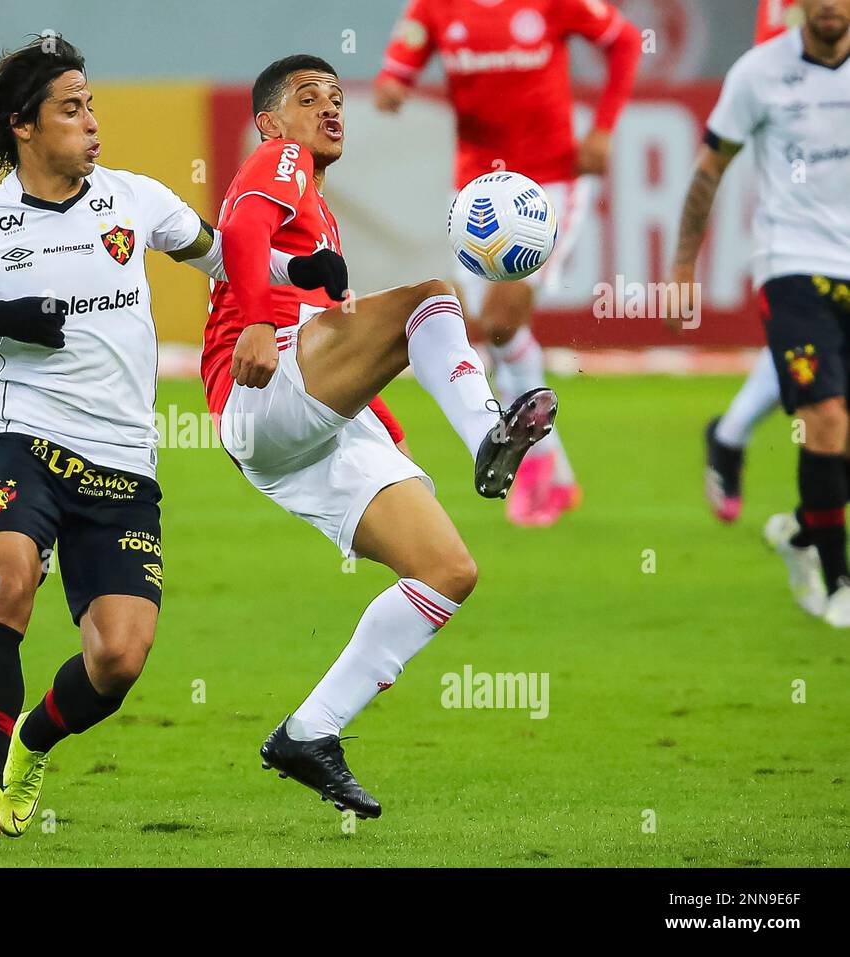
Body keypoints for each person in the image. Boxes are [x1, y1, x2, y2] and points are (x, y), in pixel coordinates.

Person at [0, 36, 347, 849]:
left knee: (119, 659)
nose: (92, 123)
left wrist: (301, 273)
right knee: (6, 583)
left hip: (121, 461)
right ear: (24, 127)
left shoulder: (136, 201)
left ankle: (30, 743)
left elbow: (227, 261)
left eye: (92, 104)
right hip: (24, 438)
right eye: (71, 109)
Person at [204, 54, 557, 817]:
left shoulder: (320, 216)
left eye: (337, 98)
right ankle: (487, 433)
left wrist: (387, 431)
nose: (331, 109)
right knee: (432, 295)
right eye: (309, 98)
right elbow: (240, 227)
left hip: (306, 427)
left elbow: (345, 346)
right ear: (270, 121)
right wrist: (260, 321)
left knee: (446, 569)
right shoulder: (278, 159)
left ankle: (309, 731)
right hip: (260, 388)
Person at [376, 0, 639, 525]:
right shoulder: (433, 8)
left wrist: (603, 128)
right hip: (476, 195)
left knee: (498, 323)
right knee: (494, 334)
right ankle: (551, 469)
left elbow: (626, 41)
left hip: (545, 189)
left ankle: (538, 466)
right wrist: (392, 87)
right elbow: (395, 73)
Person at [672, 0, 850, 627]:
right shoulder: (758, 72)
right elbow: (710, 168)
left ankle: (801, 532)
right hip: (794, 267)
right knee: (825, 418)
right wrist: (683, 268)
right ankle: (839, 583)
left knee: (841, 434)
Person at [702, 0, 805, 524]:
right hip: (809, 192)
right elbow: (783, 62)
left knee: (807, 345)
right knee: (812, 343)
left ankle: (730, 433)